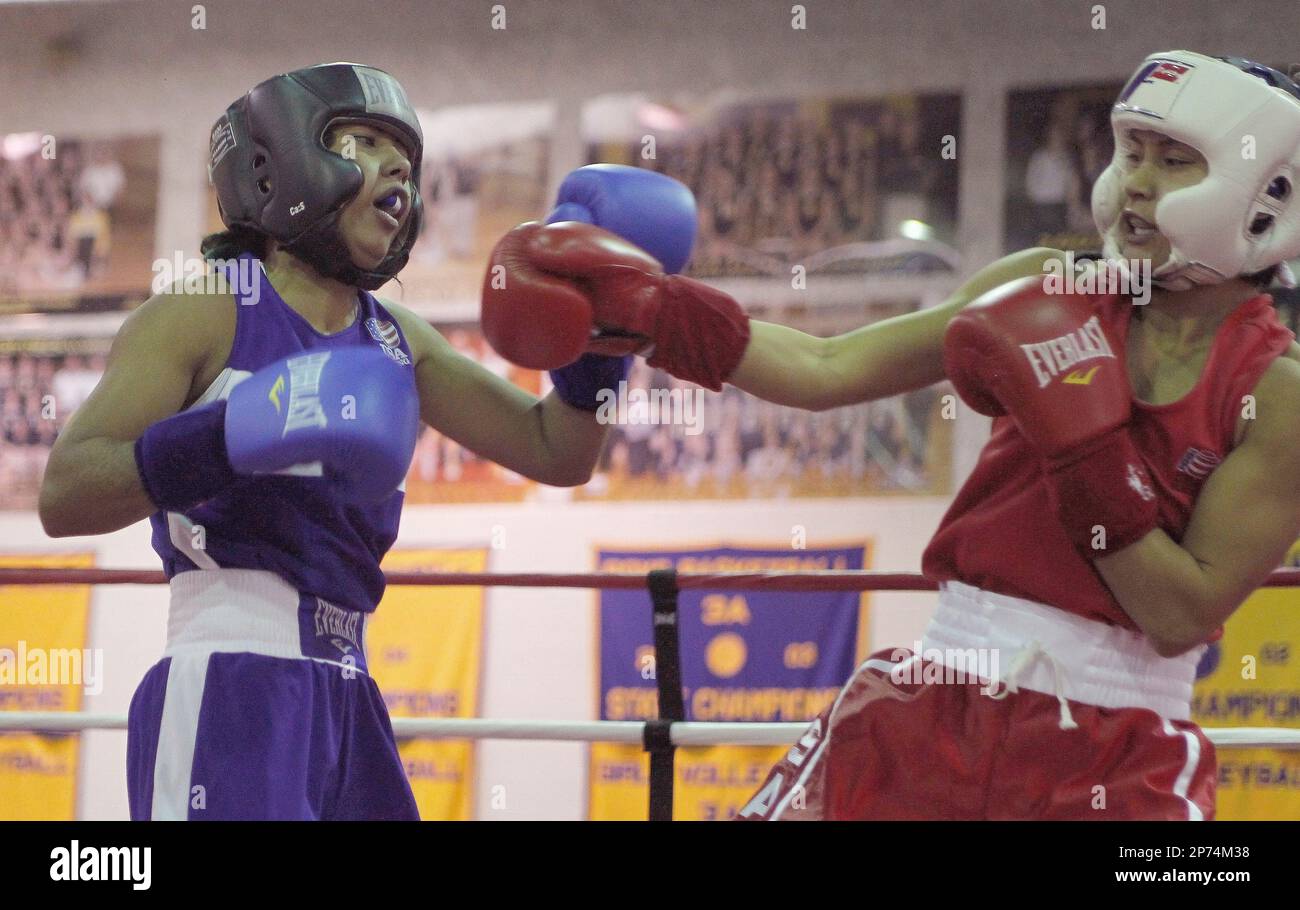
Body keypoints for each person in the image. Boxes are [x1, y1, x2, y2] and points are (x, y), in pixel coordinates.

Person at [483, 50, 1300, 820]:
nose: (1139, 185)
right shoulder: (1043, 286)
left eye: (1175, 160)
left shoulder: (1277, 392)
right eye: (1135, 152)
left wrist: (1083, 445)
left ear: (1267, 192)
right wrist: (655, 311)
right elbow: (827, 367)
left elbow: (1181, 612)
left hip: (1121, 748)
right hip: (937, 698)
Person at [37, 64, 703, 820]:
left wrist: (603, 340)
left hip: (349, 691)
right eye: (364, 141)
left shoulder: (395, 339)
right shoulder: (205, 311)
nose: (396, 170)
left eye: (405, 158)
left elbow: (557, 450)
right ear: (278, 161)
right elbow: (66, 493)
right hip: (232, 681)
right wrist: (233, 432)